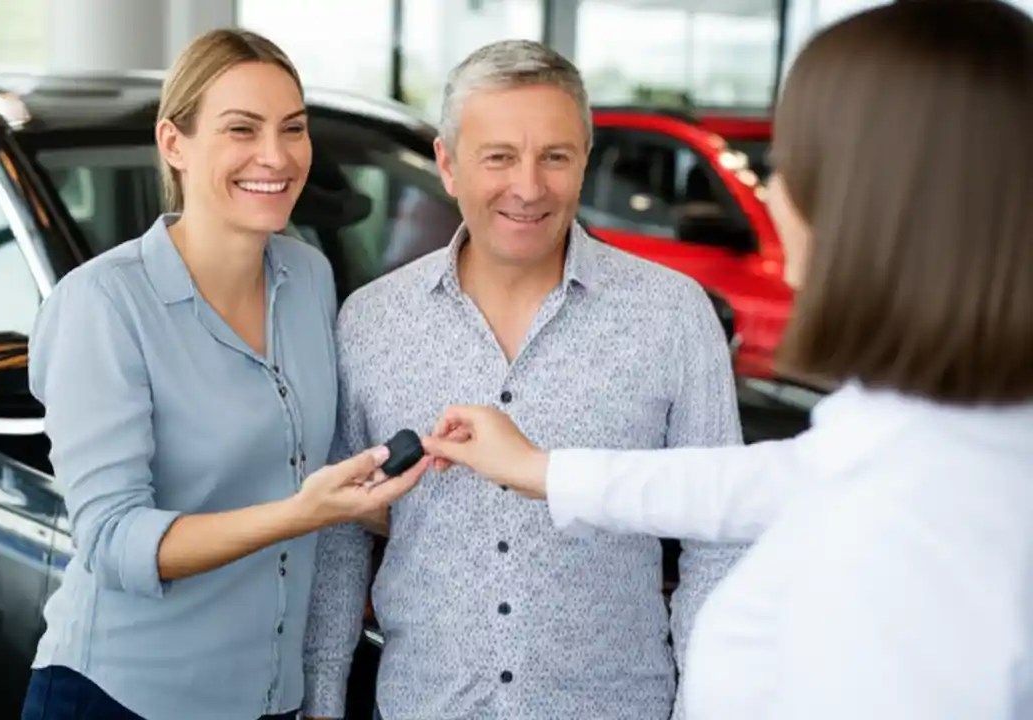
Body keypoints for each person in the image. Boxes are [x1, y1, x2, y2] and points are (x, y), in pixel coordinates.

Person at [422, 3, 1033, 719]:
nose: (773, 192)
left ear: (877, 206)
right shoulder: (937, 445)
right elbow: (765, 481)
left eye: (795, 165)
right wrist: (541, 470)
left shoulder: (905, 537)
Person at [303, 40, 746, 720]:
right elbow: (336, 539)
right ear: (448, 165)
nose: (529, 186)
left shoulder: (672, 317)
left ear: (584, 164)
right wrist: (323, 704)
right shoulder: (370, 323)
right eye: (499, 157)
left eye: (555, 157)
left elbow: (717, 539)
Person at [21, 29, 428, 720]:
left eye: (292, 129)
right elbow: (116, 542)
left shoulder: (307, 275)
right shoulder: (103, 304)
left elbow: (312, 460)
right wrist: (300, 514)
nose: (276, 156)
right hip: (122, 699)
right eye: (242, 129)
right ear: (174, 143)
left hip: (267, 701)